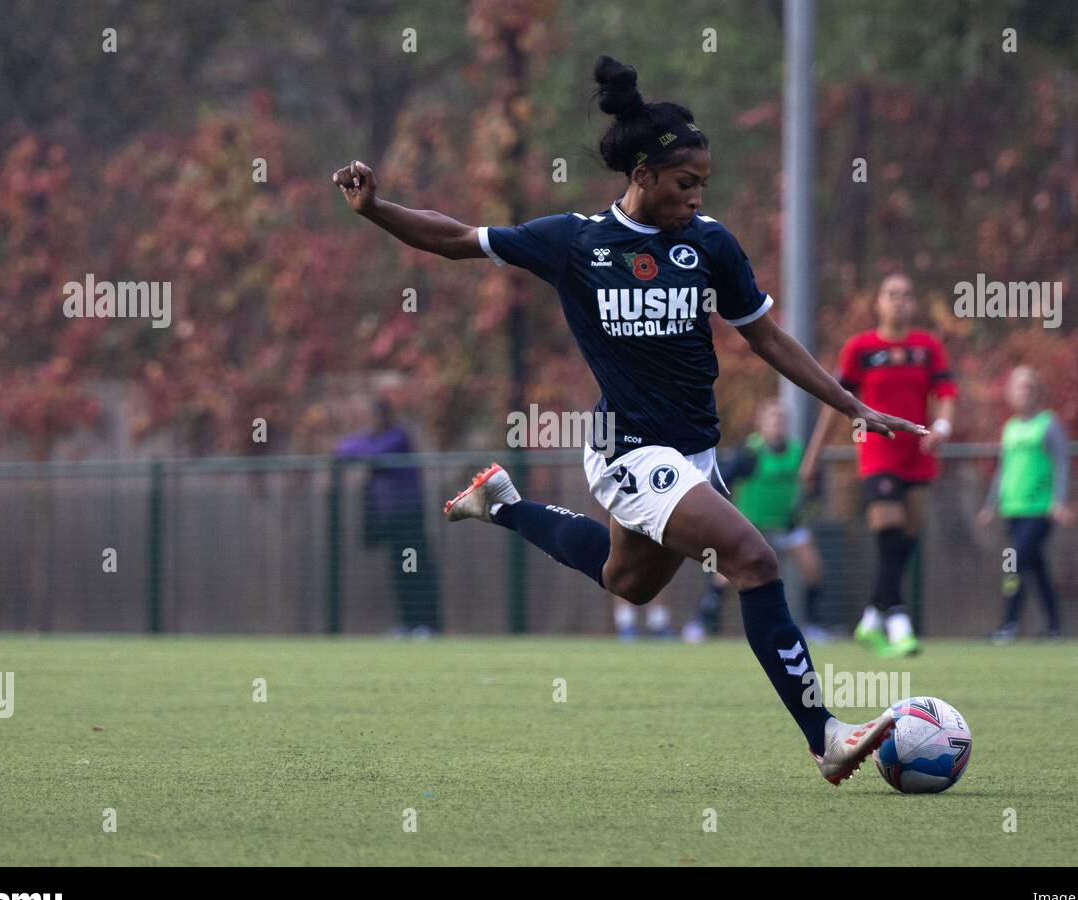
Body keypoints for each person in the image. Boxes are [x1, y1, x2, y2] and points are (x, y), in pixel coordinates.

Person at [335, 55, 927, 785]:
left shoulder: (709, 245)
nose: (696, 197)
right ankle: (826, 735)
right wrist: (376, 209)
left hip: (694, 451)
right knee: (755, 560)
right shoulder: (575, 242)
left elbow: (764, 335)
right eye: (686, 183)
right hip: (627, 448)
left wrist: (853, 403)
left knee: (631, 583)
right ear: (642, 176)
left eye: (703, 185)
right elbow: (459, 238)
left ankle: (505, 505)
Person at [800, 273, 956, 658]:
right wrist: (812, 455)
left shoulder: (928, 347)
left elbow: (946, 393)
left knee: (906, 539)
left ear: (913, 303)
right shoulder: (861, 348)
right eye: (892, 294)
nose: (899, 301)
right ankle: (898, 620)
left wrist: (942, 426)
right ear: (879, 303)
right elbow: (835, 402)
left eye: (906, 295)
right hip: (877, 449)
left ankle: (872, 616)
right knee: (889, 531)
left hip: (918, 451)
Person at [683, 398, 827, 644]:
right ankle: (703, 623)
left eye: (782, 419)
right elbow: (719, 485)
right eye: (772, 419)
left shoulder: (797, 453)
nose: (778, 424)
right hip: (752, 527)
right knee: (724, 574)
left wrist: (801, 513)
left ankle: (813, 624)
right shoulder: (749, 453)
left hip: (784, 525)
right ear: (761, 424)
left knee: (813, 567)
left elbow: (816, 490)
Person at [977, 366, 1073, 640]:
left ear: (1037, 392)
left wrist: (1059, 501)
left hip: (1040, 509)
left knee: (1015, 563)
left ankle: (1008, 624)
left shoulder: (1049, 424)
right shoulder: (1010, 428)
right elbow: (1003, 470)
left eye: (1029, 387)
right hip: (1013, 508)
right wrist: (990, 505)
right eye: (1018, 387)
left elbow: (1062, 463)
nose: (1023, 393)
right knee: (1036, 568)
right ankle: (1055, 625)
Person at [335, 398, 441, 636]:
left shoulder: (397, 437)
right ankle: (407, 624)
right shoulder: (371, 437)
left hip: (409, 518)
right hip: (391, 521)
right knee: (399, 573)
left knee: (416, 570)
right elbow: (342, 449)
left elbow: (373, 453)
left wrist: (362, 448)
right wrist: (360, 446)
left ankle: (426, 625)